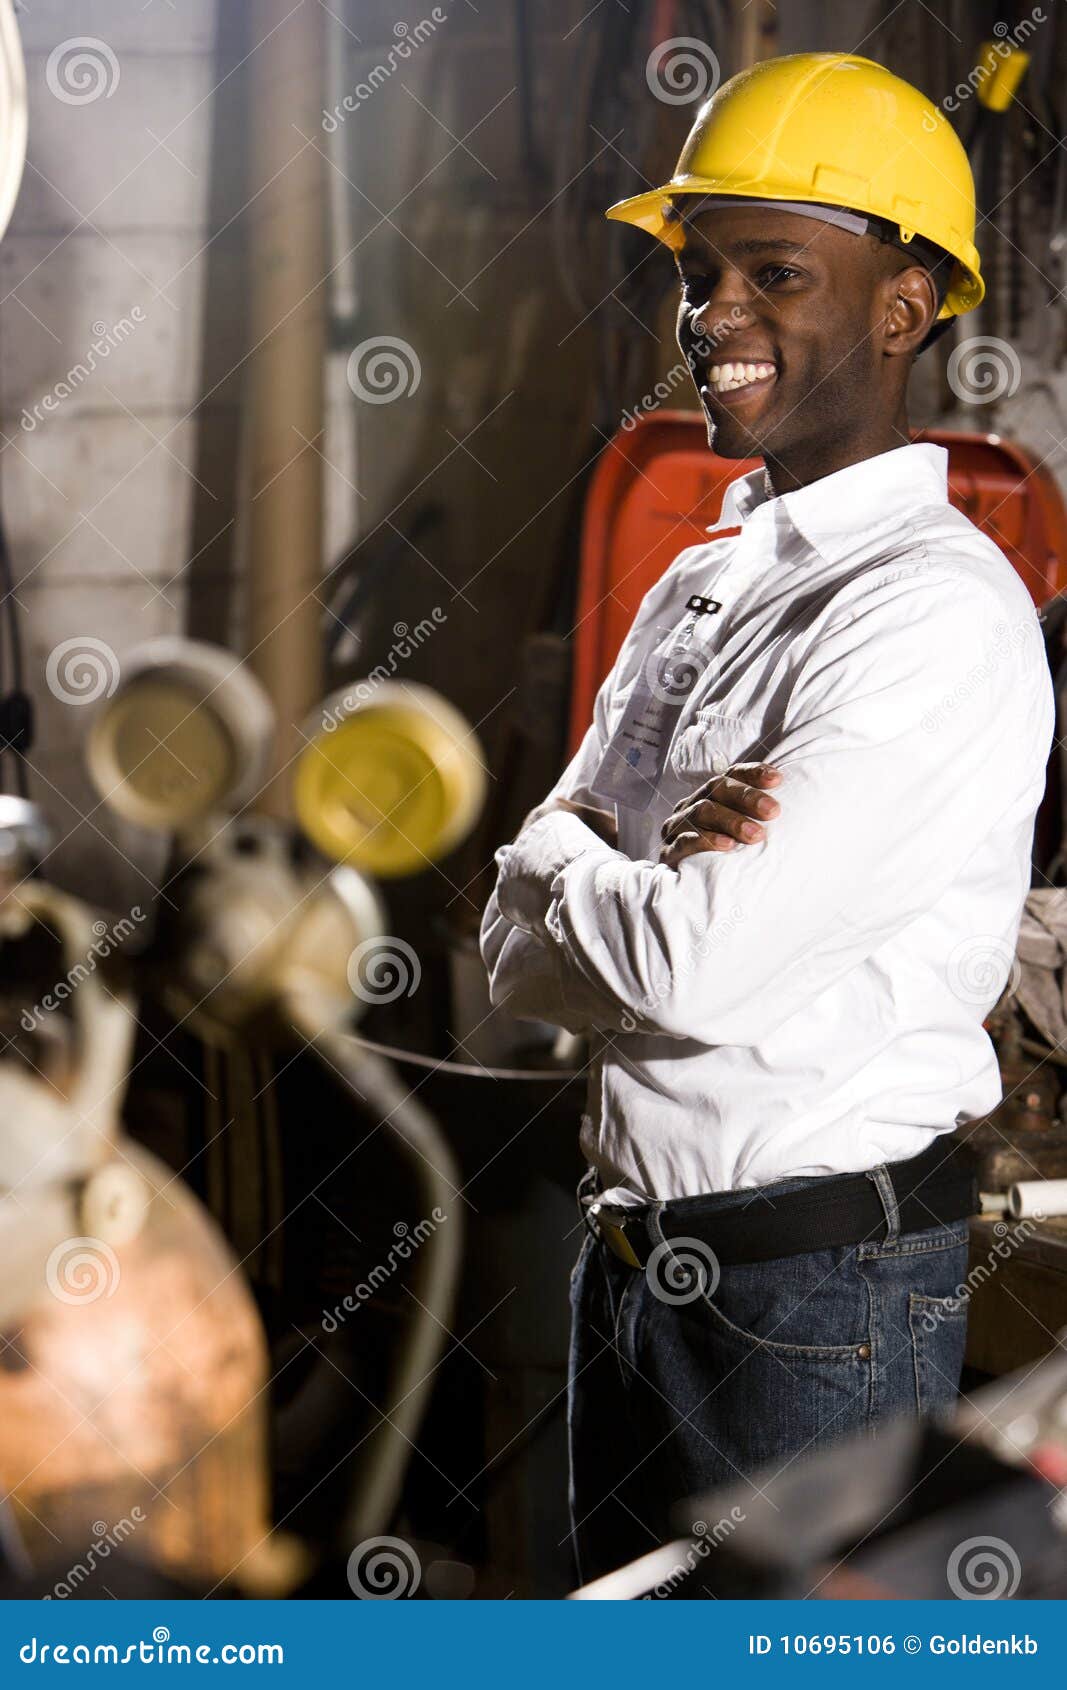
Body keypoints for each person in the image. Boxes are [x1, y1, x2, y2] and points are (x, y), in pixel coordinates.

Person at [479, 52, 1054, 1585]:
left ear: (905, 304)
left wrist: (558, 849)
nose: (712, 313)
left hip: (819, 1300)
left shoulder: (929, 617)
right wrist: (610, 872)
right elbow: (506, 961)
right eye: (699, 269)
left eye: (774, 273)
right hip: (634, 1275)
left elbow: (678, 966)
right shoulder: (701, 579)